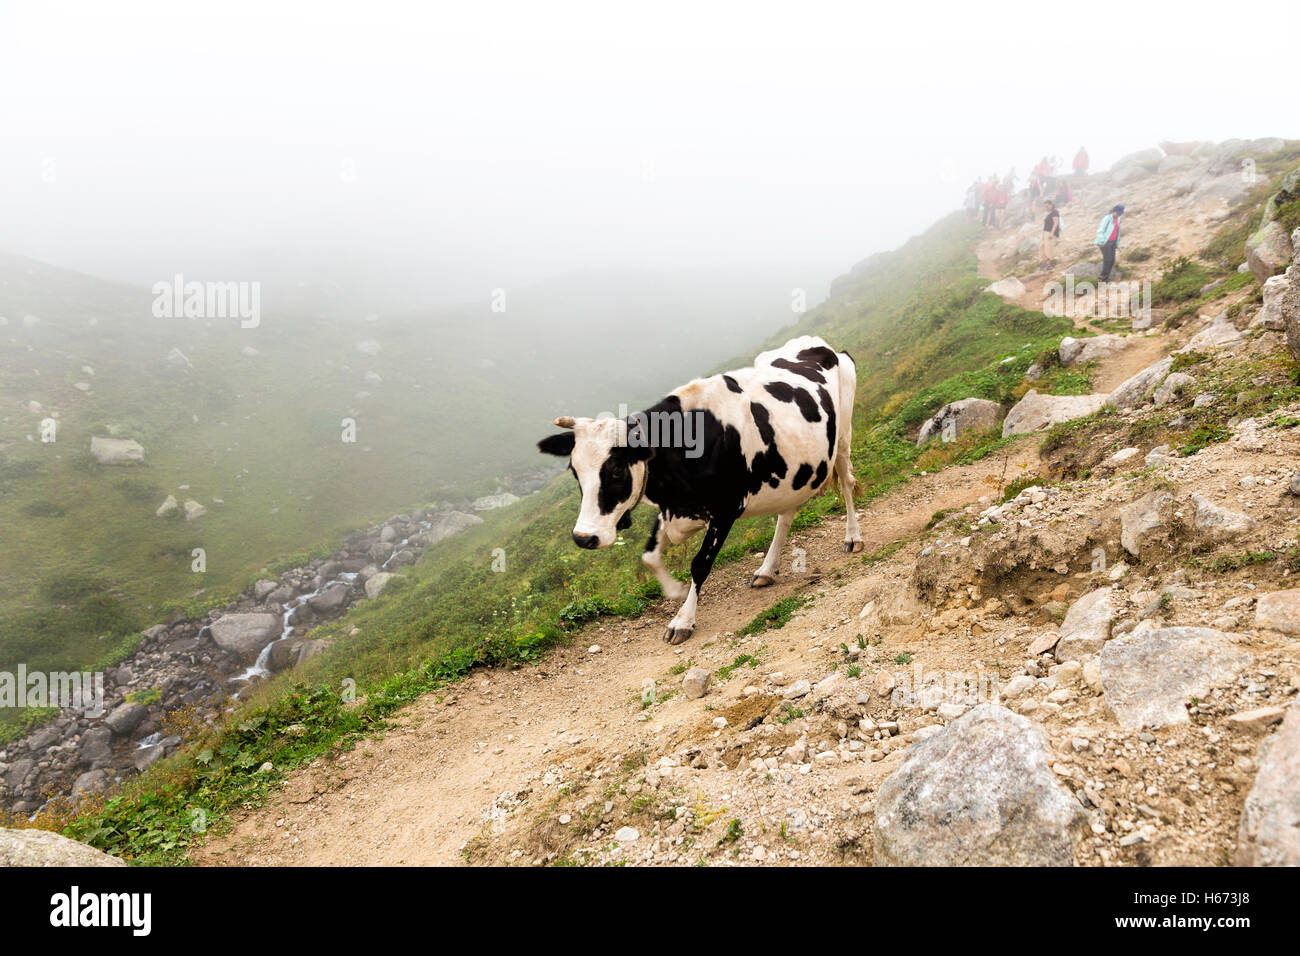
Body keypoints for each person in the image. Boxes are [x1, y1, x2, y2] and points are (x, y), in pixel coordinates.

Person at [1095, 204, 1124, 282]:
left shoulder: (1118, 219)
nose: (1118, 215)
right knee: (1107, 259)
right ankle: (1103, 277)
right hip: (1105, 242)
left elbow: (1118, 231)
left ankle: (1106, 276)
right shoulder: (1107, 218)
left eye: (1120, 213)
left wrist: (1117, 243)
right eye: (1118, 213)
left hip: (1113, 242)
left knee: (1112, 259)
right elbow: (1100, 230)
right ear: (1114, 211)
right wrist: (1101, 241)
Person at [1040, 199, 1061, 268]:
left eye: (1047, 206)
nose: (1046, 208)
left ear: (1051, 205)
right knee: (1043, 247)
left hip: (1050, 232)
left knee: (1049, 248)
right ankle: (1044, 263)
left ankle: (1048, 264)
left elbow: (1056, 223)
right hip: (1046, 232)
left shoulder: (1055, 212)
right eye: (1045, 207)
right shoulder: (1050, 214)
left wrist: (1052, 233)